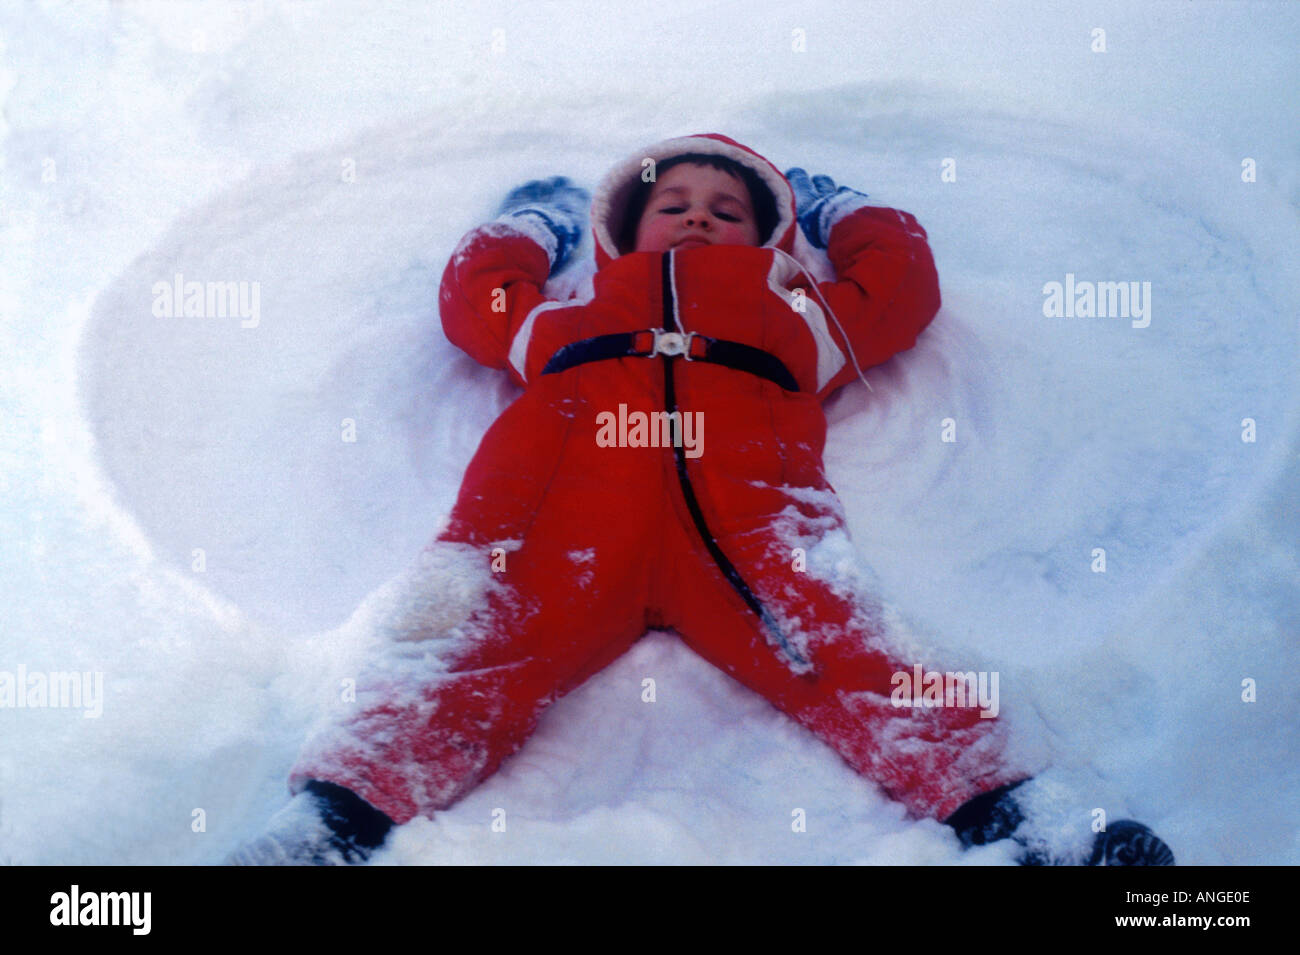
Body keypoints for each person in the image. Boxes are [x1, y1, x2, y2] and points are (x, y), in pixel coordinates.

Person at [227, 134, 1173, 866]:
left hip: (752, 531)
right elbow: (476, 296)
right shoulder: (567, 319)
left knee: (854, 646)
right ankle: (328, 821)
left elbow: (903, 279)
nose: (697, 217)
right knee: (461, 644)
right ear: (620, 232)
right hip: (557, 516)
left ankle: (1030, 811)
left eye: (728, 207)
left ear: (767, 234)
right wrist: (535, 225)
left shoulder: (802, 316)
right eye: (671, 203)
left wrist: (841, 207)